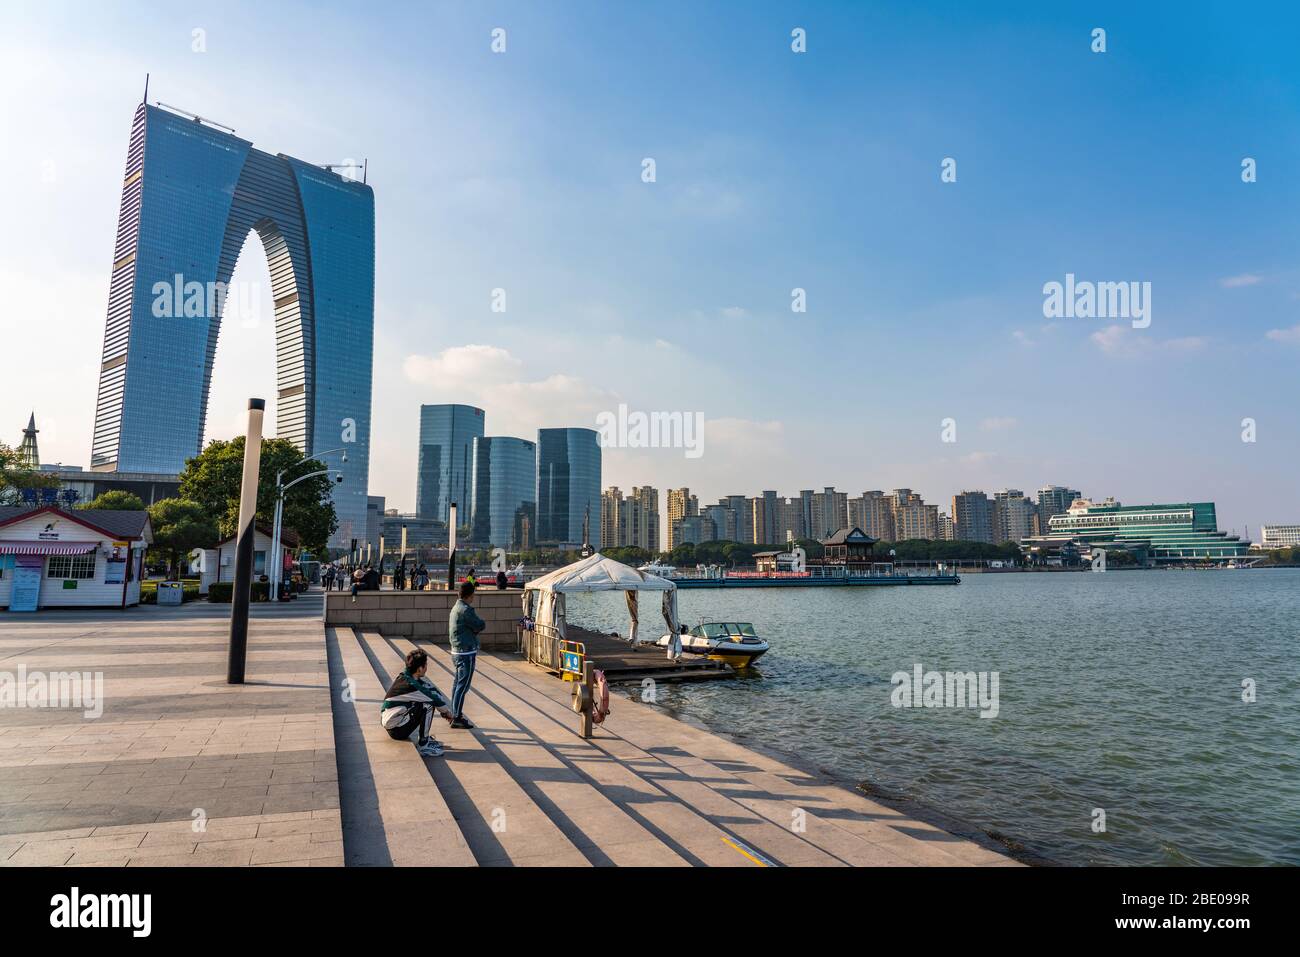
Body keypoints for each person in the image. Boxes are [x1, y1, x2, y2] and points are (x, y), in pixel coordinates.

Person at [381, 649, 452, 757]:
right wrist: (446, 712)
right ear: (419, 669)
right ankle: (424, 745)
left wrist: (443, 712)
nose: (427, 668)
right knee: (427, 705)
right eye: (426, 665)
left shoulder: (406, 676)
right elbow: (434, 699)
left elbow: (431, 690)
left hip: (395, 723)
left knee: (425, 699)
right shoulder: (412, 686)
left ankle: (425, 739)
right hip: (396, 730)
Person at [447, 581, 484, 729]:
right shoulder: (466, 610)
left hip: (457, 651)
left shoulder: (456, 608)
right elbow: (479, 625)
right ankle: (457, 716)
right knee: (463, 686)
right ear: (470, 595)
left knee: (457, 684)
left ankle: (455, 713)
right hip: (466, 652)